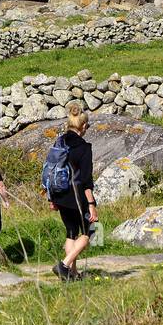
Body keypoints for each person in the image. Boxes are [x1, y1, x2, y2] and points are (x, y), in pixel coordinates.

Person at [42, 103, 97, 281]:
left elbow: (50, 168)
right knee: (89, 232)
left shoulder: (59, 142)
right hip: (76, 196)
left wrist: (51, 197)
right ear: (82, 126)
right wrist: (91, 204)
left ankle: (72, 275)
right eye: (87, 125)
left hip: (59, 193)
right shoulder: (84, 147)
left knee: (70, 232)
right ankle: (64, 265)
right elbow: (86, 179)